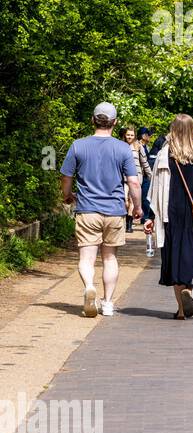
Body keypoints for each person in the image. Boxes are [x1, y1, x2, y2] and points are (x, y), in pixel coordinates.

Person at [60, 102, 141, 317]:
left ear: (92, 120)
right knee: (110, 258)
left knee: (86, 258)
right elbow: (133, 183)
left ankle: (89, 286)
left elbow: (66, 177)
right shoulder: (124, 148)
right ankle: (107, 303)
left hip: (87, 209)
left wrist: (67, 195)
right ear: (115, 123)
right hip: (114, 211)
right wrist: (138, 207)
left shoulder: (77, 145)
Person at [144, 114, 193, 320]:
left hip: (171, 212)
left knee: (175, 256)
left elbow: (155, 188)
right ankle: (192, 292)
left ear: (173, 130)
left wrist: (150, 216)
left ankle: (182, 310)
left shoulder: (165, 154)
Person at [123, 127, 150, 232]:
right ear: (125, 135)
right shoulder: (120, 146)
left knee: (132, 201)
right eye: (128, 135)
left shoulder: (138, 146)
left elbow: (144, 162)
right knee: (124, 200)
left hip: (136, 177)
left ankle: (128, 225)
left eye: (132, 135)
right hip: (123, 178)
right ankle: (126, 220)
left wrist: (150, 175)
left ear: (135, 136)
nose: (129, 137)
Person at [138, 127, 157, 255]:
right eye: (148, 135)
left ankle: (145, 218)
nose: (150, 137)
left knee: (145, 197)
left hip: (145, 176)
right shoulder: (140, 146)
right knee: (144, 198)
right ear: (143, 136)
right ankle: (145, 218)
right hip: (142, 176)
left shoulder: (146, 147)